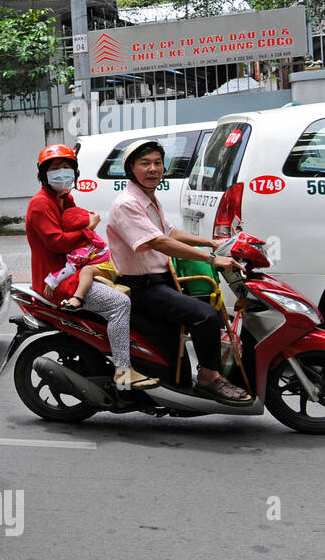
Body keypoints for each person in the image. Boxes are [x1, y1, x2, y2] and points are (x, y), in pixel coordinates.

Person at [105, 139, 252, 404]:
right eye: (145, 164)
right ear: (130, 169)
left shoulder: (149, 198)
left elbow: (169, 232)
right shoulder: (126, 203)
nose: (153, 169)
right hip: (141, 287)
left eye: (158, 163)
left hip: (161, 280)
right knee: (205, 316)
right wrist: (210, 258)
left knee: (209, 310)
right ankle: (209, 378)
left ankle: (179, 382)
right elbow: (158, 242)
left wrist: (211, 242)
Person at [26, 144, 158, 391]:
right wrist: (88, 228)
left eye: (67, 168)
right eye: (55, 169)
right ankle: (123, 370)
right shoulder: (40, 204)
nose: (62, 173)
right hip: (57, 281)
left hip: (77, 269)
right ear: (43, 175)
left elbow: (77, 220)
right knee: (120, 303)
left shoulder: (64, 198)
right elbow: (55, 242)